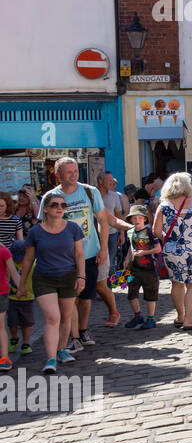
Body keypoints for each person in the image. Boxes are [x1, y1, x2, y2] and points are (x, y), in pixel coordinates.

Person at [40, 156, 125, 351]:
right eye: (68, 172)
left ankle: (83, 330)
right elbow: (43, 226)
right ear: (57, 174)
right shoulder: (50, 197)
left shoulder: (90, 191)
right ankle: (73, 336)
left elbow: (103, 221)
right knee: (70, 298)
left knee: (86, 297)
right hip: (63, 258)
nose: (73, 175)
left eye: (76, 171)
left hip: (89, 253)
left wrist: (103, 248)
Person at [18, 191, 85, 373]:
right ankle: (50, 358)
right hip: (44, 278)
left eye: (63, 206)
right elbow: (28, 259)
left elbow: (79, 255)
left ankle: (61, 349)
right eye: (55, 205)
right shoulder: (35, 232)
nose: (60, 208)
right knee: (53, 317)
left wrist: (81, 276)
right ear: (45, 209)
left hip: (69, 277)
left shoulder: (72, 228)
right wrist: (22, 284)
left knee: (65, 317)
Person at [153, 172, 192, 331]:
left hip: (172, 250)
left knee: (177, 282)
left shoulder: (164, 206)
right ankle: (189, 320)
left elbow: (156, 230)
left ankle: (180, 317)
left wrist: (168, 240)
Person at [122, 204, 161, 330]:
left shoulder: (150, 232)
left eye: (140, 217)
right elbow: (131, 247)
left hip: (149, 269)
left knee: (150, 294)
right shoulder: (130, 232)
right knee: (131, 293)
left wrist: (144, 252)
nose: (137, 220)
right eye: (134, 218)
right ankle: (137, 315)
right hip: (134, 268)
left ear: (145, 219)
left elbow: (158, 249)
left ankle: (150, 319)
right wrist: (127, 258)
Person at [95, 170, 125, 327]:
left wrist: (122, 233)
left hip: (112, 234)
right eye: (109, 180)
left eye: (112, 180)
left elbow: (118, 215)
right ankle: (101, 286)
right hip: (95, 235)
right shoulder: (93, 195)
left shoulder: (114, 196)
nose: (112, 182)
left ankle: (108, 288)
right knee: (99, 262)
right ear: (100, 181)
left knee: (111, 261)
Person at [6, 235, 34, 357]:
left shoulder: (32, 265)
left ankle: (26, 342)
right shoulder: (8, 265)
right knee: (12, 322)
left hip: (27, 299)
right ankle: (14, 338)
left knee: (26, 323)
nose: (18, 261)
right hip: (11, 298)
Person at [0, 238, 18, 371]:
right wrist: (21, 287)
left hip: (1, 292)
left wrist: (21, 288)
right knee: (1, 327)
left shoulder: (4, 251)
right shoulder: (4, 251)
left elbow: (13, 273)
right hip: (2, 291)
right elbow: (14, 274)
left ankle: (4, 358)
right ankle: (4, 358)